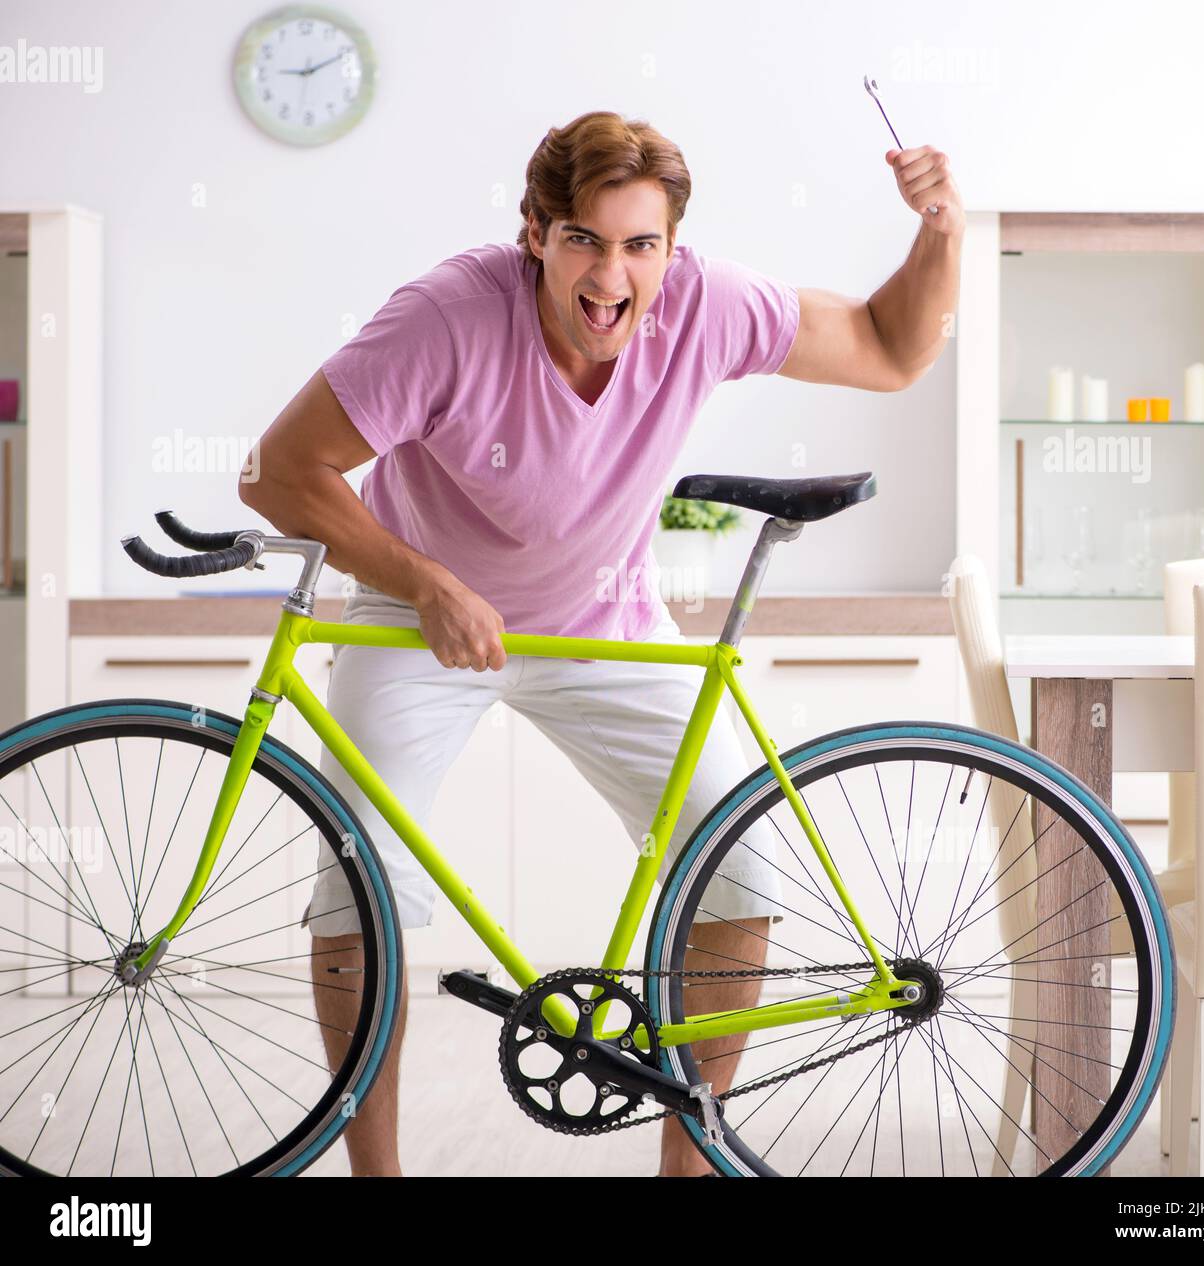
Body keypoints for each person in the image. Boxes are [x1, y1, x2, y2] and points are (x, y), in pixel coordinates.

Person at [239, 110, 963, 1176]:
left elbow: (890, 348)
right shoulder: (445, 318)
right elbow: (277, 471)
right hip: (418, 615)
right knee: (359, 885)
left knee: (740, 869)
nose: (611, 276)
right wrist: (423, 581)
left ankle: (688, 1169)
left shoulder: (709, 305)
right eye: (584, 239)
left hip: (603, 616)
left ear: (671, 249)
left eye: (640, 246)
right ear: (534, 232)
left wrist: (941, 228)